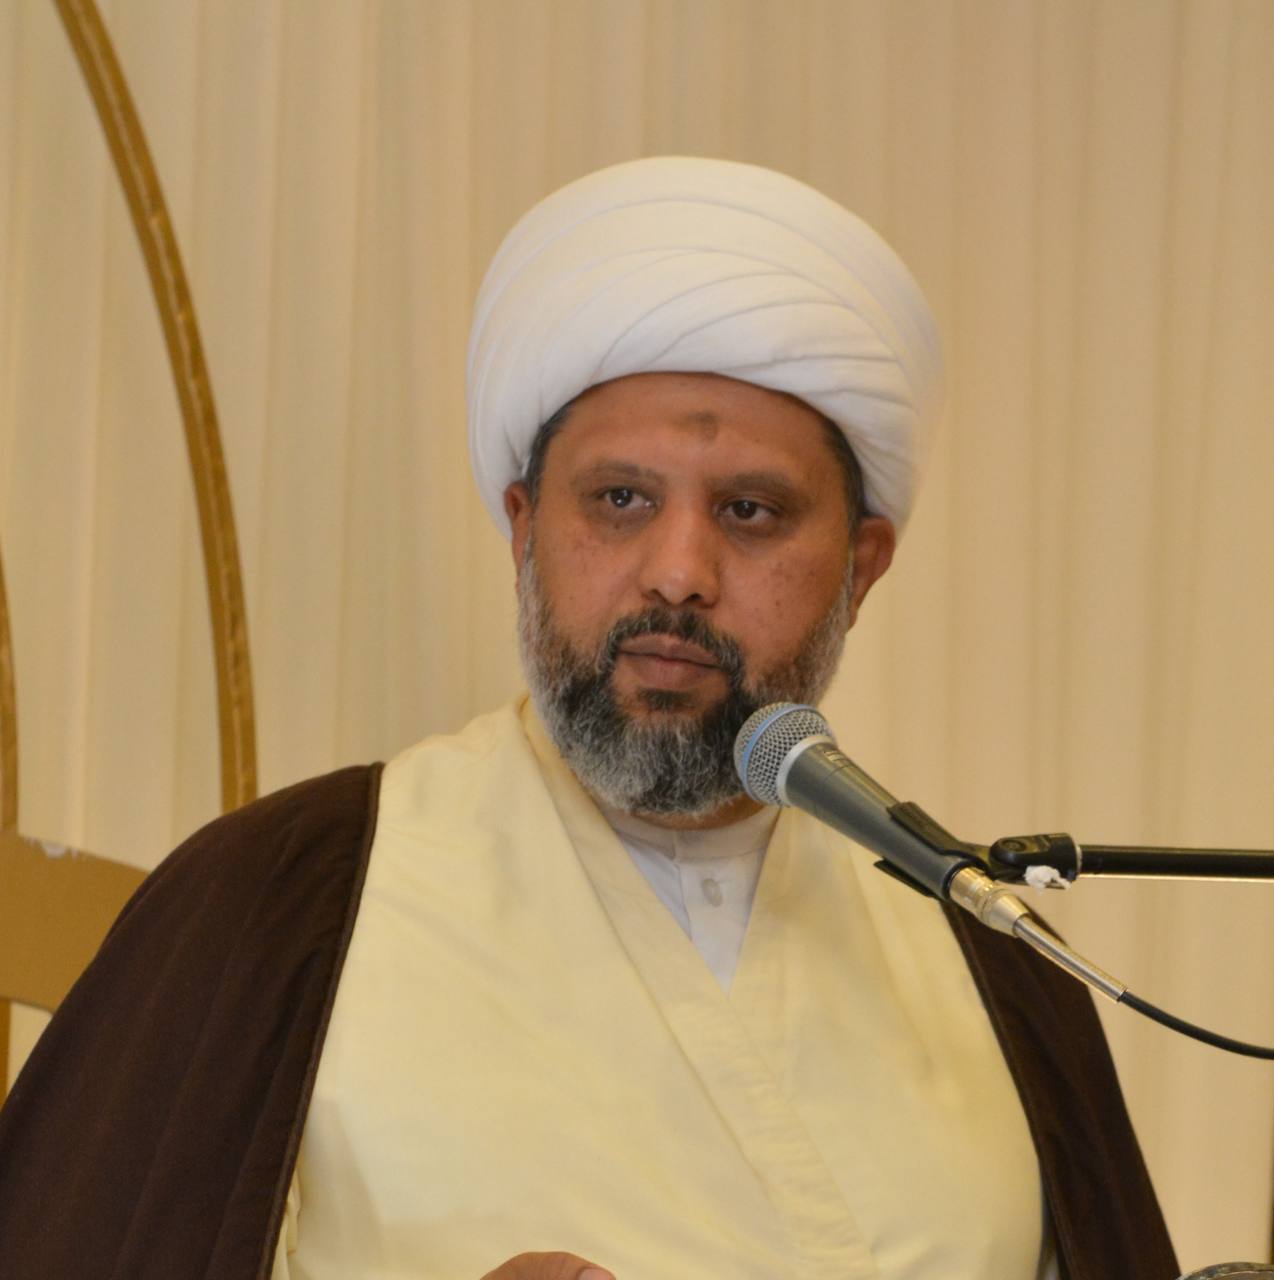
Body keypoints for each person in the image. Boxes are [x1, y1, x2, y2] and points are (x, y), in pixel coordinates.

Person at [0, 158, 1176, 1280]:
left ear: (860, 567)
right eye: (618, 499)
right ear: (522, 528)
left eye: (750, 511)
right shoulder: (285, 898)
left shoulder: (987, 958)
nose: (677, 572)